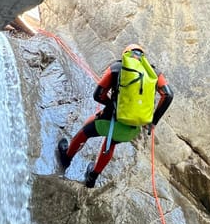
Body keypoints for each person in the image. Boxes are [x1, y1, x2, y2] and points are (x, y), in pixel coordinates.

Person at [57, 43, 173, 188]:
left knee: (84, 132)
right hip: (132, 130)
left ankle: (66, 158)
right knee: (111, 142)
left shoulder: (117, 67)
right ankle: (92, 178)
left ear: (126, 54)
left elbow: (98, 95)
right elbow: (168, 95)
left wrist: (111, 105)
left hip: (109, 121)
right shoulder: (153, 73)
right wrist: (153, 121)